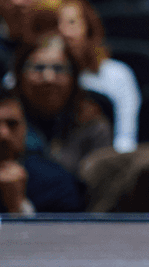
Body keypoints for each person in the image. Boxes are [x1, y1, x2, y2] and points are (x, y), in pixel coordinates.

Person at [28, 0, 141, 154]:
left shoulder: (117, 75)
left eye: (72, 23)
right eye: (53, 24)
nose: (64, 32)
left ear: (88, 28)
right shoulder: (20, 78)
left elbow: (125, 141)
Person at [12, 32, 112, 178]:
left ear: (73, 78)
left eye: (59, 69)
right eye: (38, 68)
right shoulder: (7, 121)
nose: (49, 78)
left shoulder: (94, 127)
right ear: (20, 75)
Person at [0, 88, 84, 214]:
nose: (3, 134)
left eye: (12, 124)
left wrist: (18, 206)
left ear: (26, 129)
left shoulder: (56, 183)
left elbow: (67, 232)